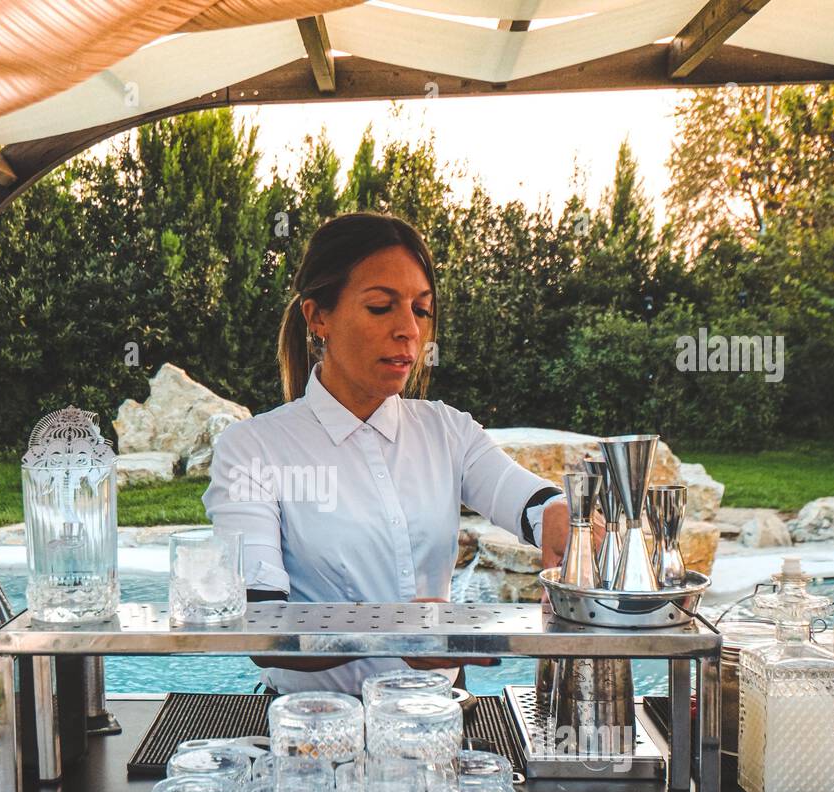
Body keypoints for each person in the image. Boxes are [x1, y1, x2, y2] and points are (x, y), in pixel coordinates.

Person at [202, 211, 571, 696]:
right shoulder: (252, 449)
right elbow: (261, 625)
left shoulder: (448, 430)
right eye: (381, 307)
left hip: (433, 723)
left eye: (420, 309)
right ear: (319, 318)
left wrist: (560, 515)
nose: (409, 331)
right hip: (309, 733)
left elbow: (529, 502)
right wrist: (394, 628)